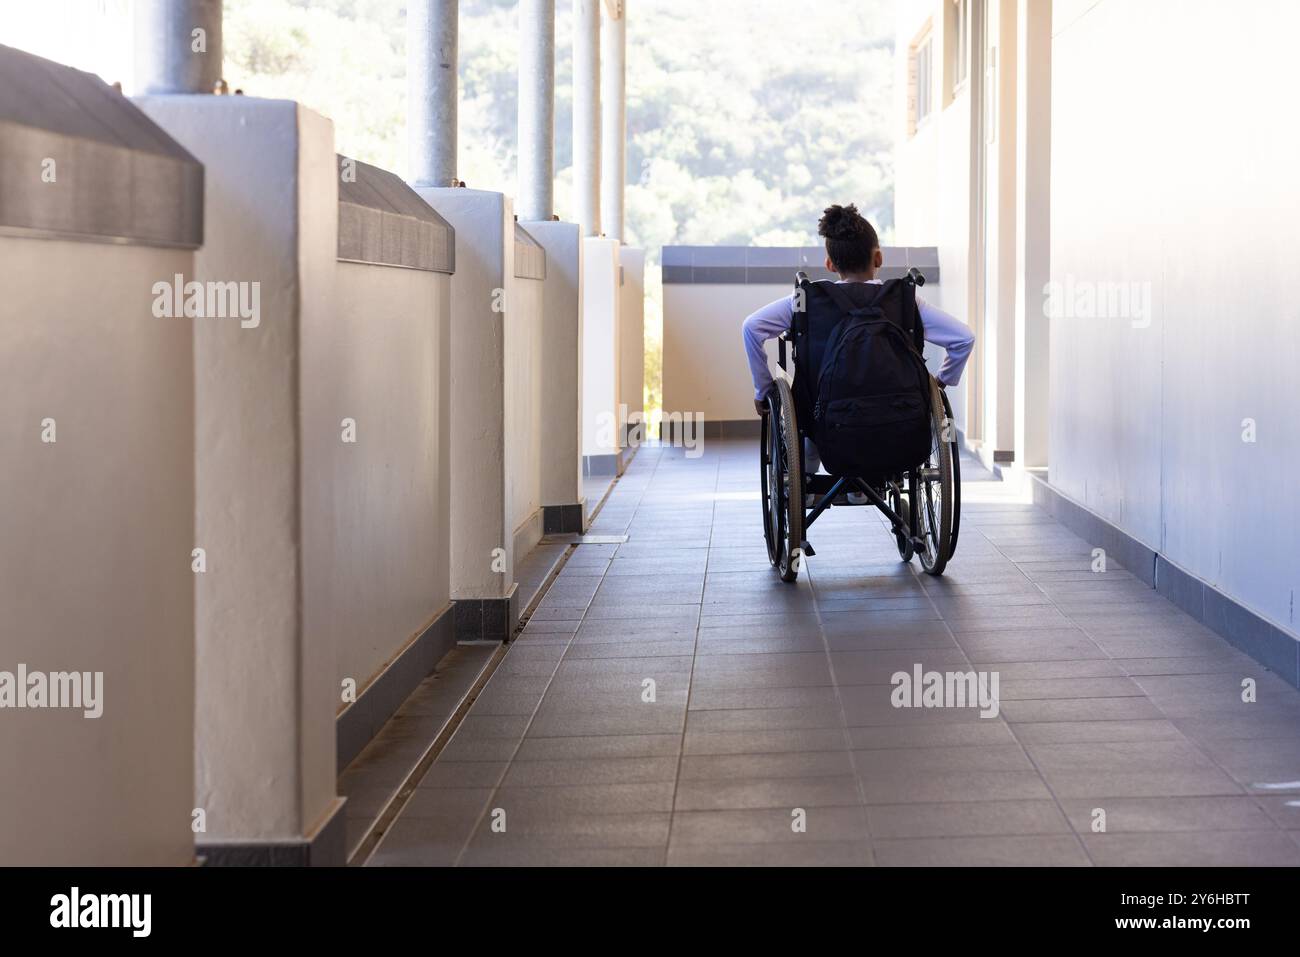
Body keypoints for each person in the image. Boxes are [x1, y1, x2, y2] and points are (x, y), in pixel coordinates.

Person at [742, 203, 975, 476]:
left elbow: (751, 328)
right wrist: (940, 382)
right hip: (899, 420)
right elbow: (964, 339)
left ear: (830, 265)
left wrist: (763, 390)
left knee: (807, 428)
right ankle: (866, 487)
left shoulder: (806, 300)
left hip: (826, 424)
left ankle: (807, 483)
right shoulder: (905, 300)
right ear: (878, 258)